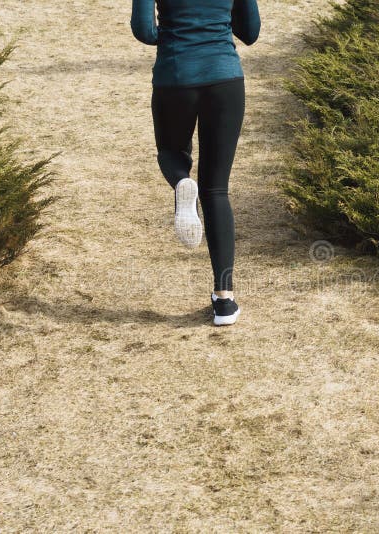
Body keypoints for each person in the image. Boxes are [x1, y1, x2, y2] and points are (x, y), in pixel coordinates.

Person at [131, 0, 260, 326]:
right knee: (216, 190)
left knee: (171, 154)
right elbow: (250, 32)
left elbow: (144, 30)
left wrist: (178, 35)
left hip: (176, 76)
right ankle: (225, 301)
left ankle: (181, 183)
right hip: (226, 79)